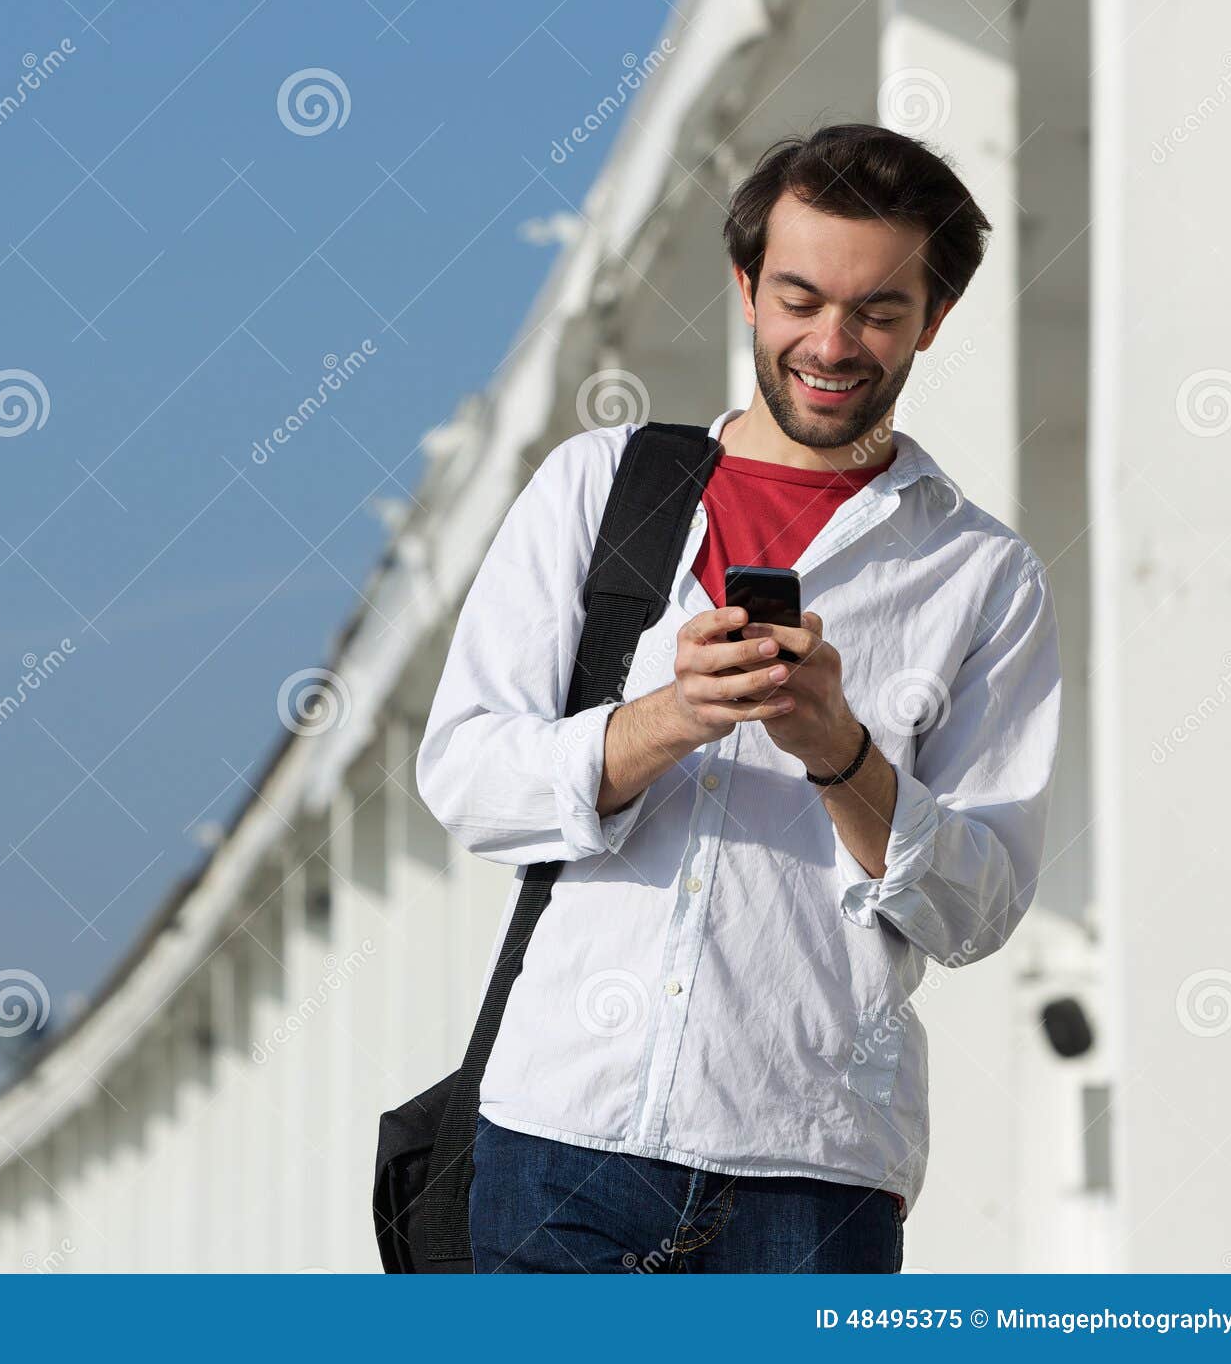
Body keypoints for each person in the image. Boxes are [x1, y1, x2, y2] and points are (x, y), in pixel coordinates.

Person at [415, 123, 1063, 1274]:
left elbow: (980, 906)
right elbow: (464, 778)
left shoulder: (985, 573)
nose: (831, 341)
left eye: (878, 310)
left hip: (814, 1171)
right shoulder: (594, 486)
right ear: (745, 287)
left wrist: (840, 753)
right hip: (561, 1135)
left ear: (934, 320)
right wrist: (670, 714)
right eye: (799, 297)